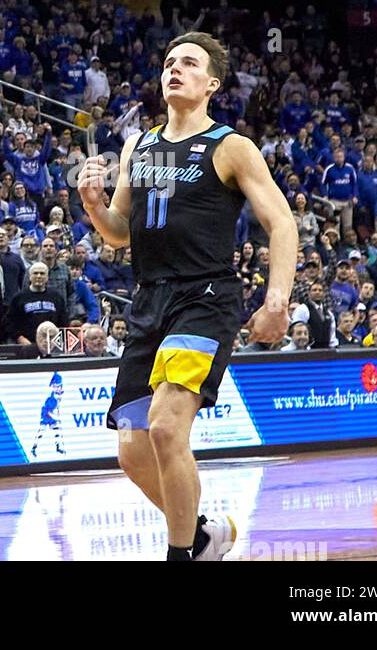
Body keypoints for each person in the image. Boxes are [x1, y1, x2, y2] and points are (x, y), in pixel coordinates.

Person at [78, 32, 297, 561]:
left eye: (189, 63)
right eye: (169, 62)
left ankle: (181, 556)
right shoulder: (140, 144)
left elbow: (282, 222)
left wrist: (277, 300)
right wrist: (92, 202)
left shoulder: (231, 146)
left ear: (212, 83)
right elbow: (120, 232)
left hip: (205, 297)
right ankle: (200, 535)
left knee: (165, 425)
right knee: (132, 452)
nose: (175, 69)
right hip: (148, 299)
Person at [31, 372, 67, 458]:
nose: (57, 388)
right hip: (46, 415)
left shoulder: (61, 395)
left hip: (53, 416)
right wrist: (56, 417)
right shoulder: (51, 399)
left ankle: (58, 447)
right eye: (55, 386)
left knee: (57, 431)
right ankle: (34, 448)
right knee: (41, 432)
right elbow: (49, 411)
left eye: (58, 386)